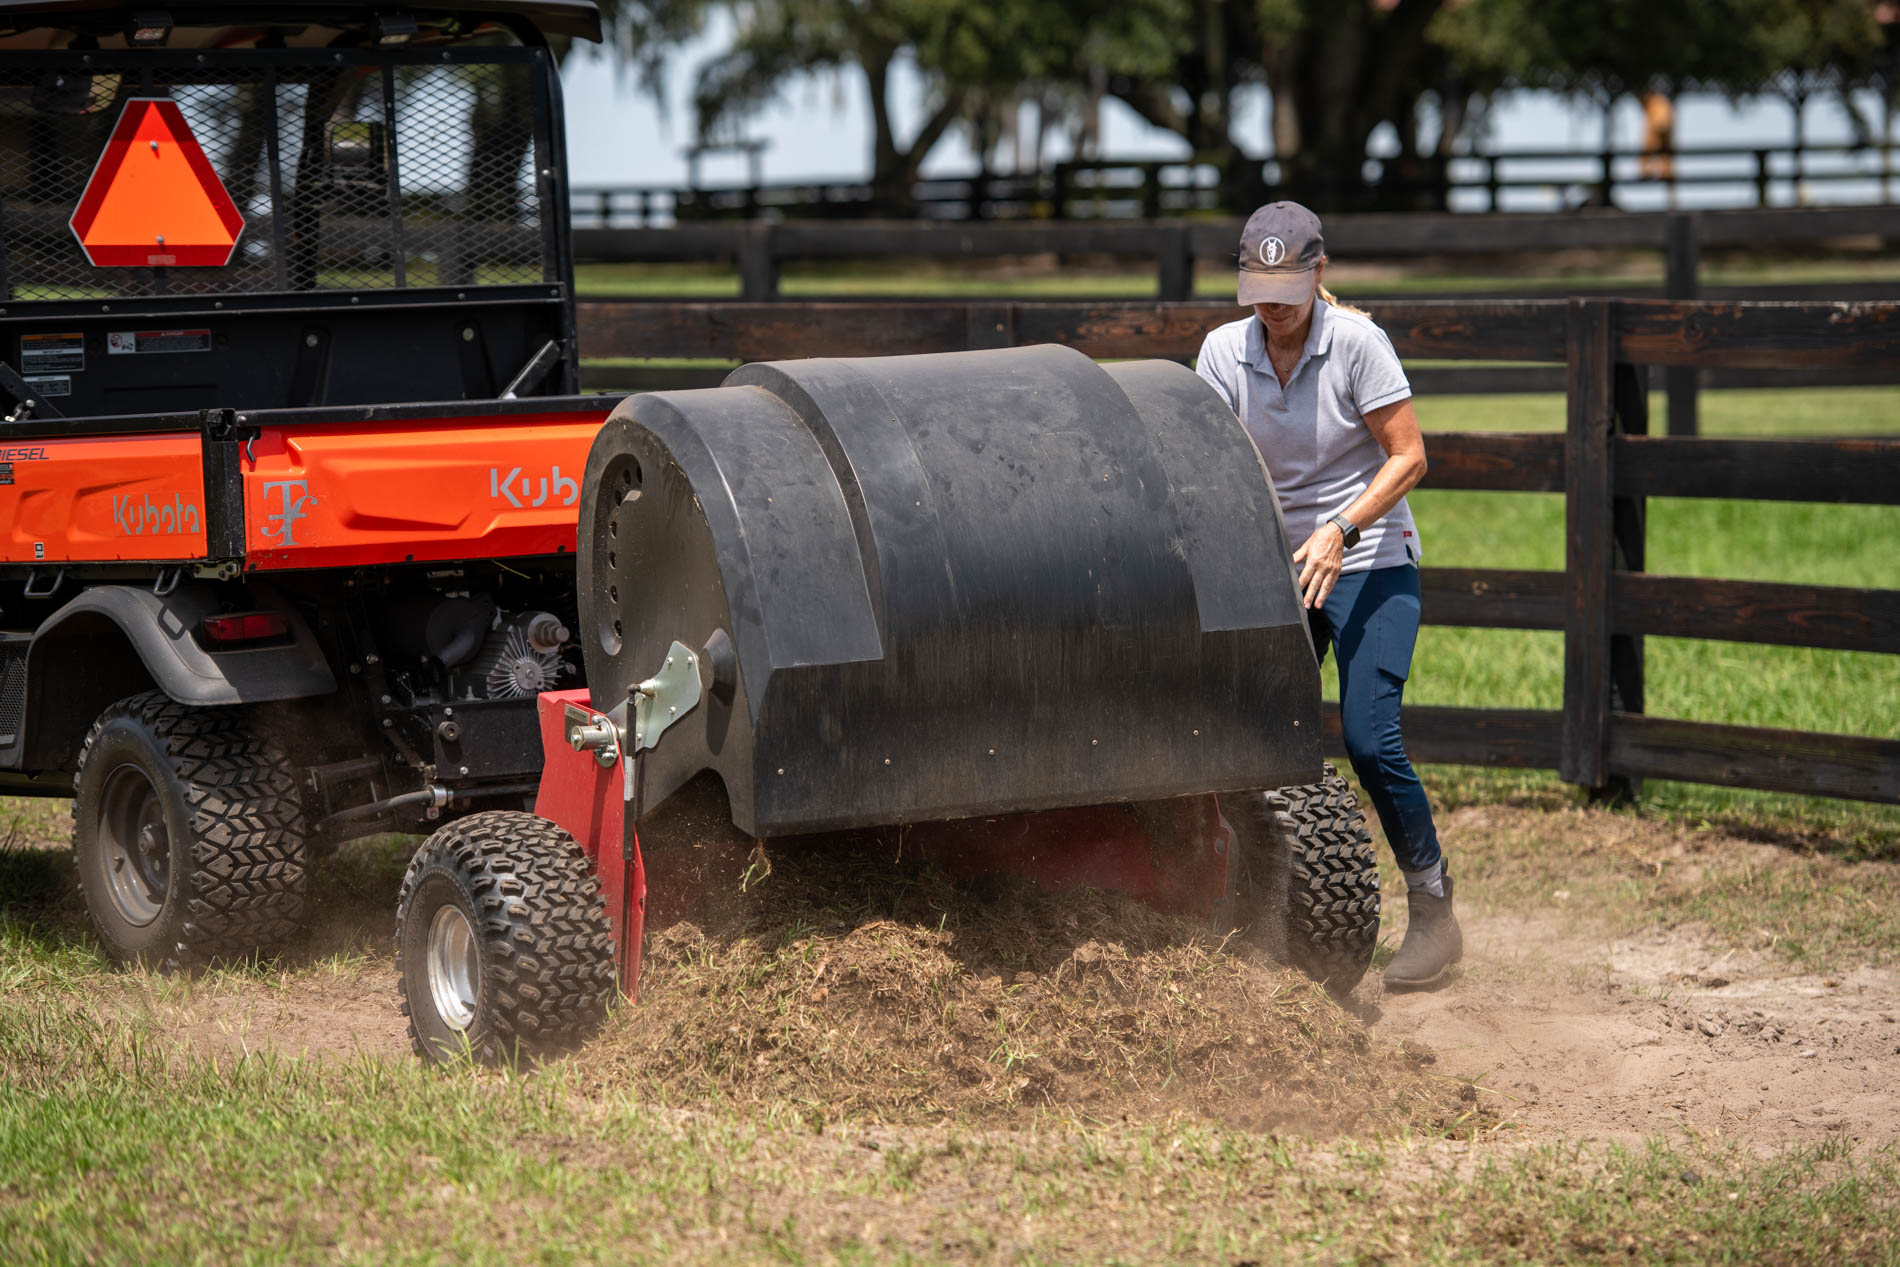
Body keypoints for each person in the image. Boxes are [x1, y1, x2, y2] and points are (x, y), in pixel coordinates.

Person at [1195, 201, 1462, 991]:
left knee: (1371, 740)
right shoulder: (1222, 354)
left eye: (1286, 283)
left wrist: (1340, 529)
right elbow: (1213, 464)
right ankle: (1240, 900)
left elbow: (1409, 456)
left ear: (1319, 274)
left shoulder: (1356, 345)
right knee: (1241, 727)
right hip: (1279, 566)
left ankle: (1434, 908)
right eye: (1258, 285)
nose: (1271, 302)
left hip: (1371, 557)